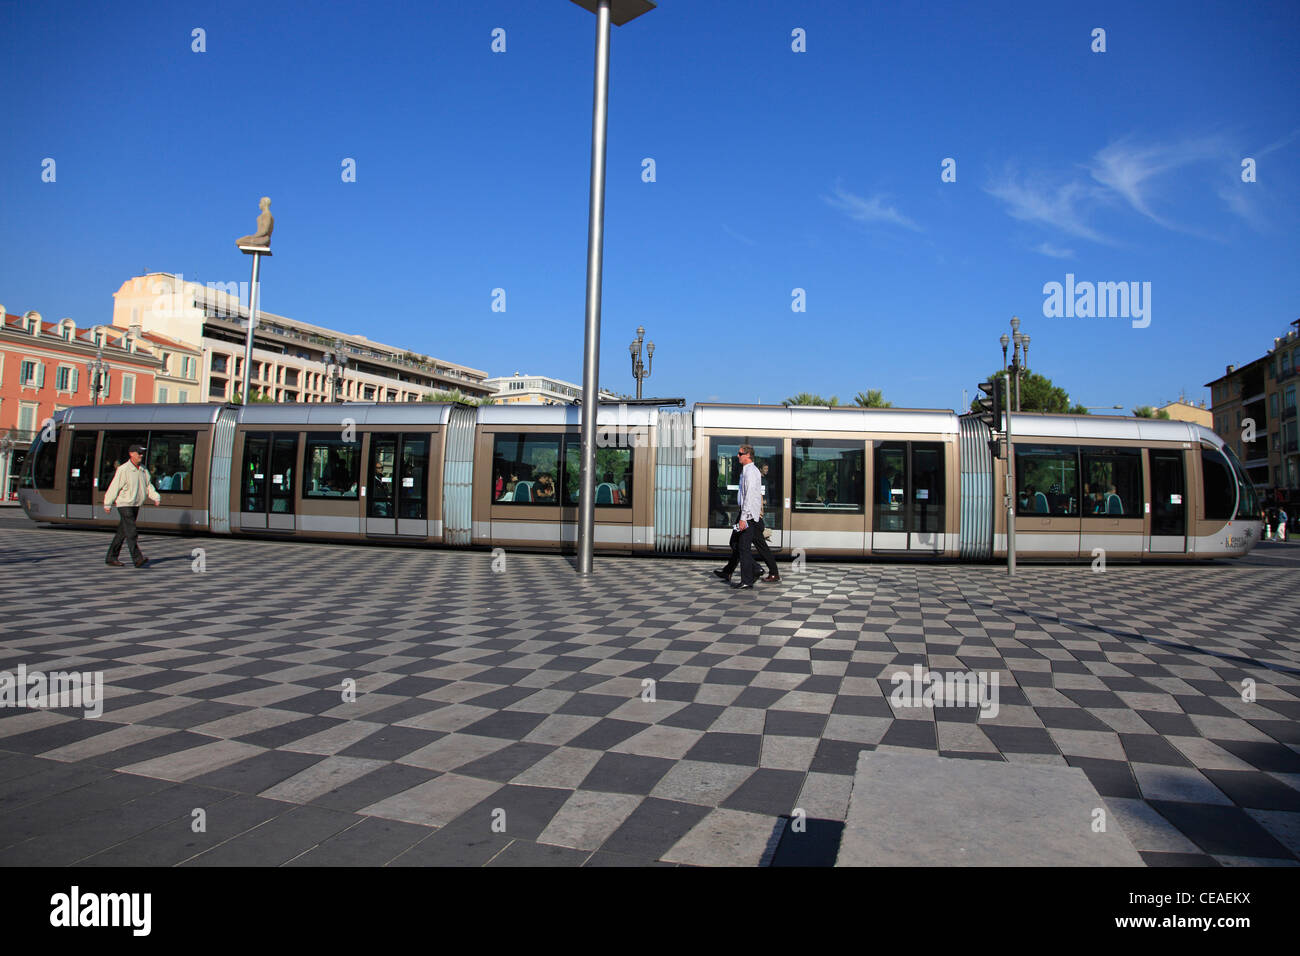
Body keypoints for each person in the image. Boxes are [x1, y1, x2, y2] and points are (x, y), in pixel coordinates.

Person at [103, 444, 160, 567]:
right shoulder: (123, 469)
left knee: (122, 532)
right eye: (138, 453)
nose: (141, 455)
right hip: (124, 504)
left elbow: (148, 486)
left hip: (135, 504)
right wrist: (108, 503)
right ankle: (137, 559)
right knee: (131, 531)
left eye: (142, 453)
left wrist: (155, 497)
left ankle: (111, 557)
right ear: (131, 454)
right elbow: (114, 487)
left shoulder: (143, 470)